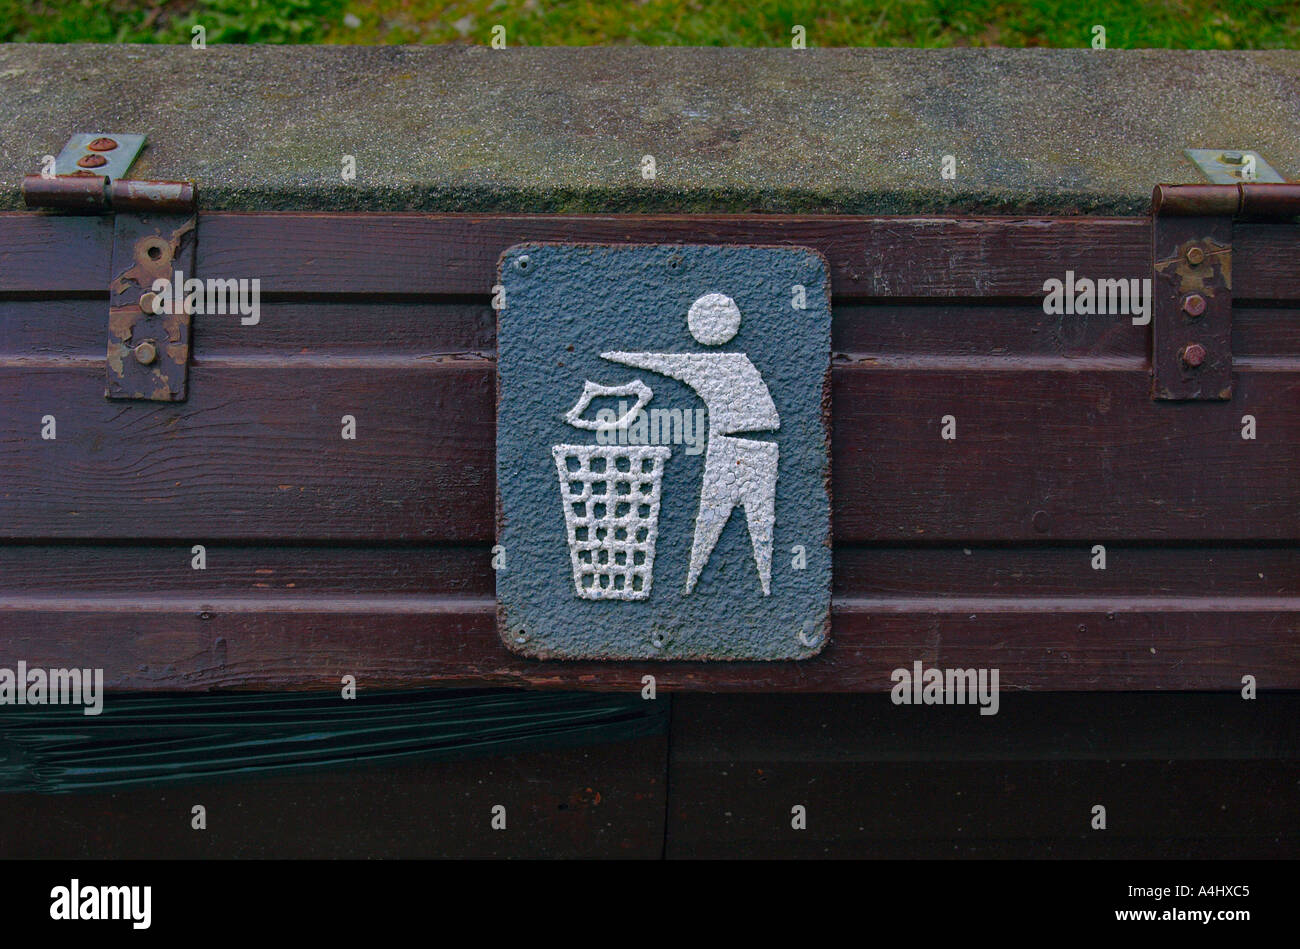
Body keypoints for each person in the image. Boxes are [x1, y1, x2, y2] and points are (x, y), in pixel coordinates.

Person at [603, 292, 779, 595]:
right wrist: (620, 358)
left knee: (738, 527)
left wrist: (620, 357)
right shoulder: (734, 366)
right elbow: (674, 365)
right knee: (715, 529)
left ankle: (713, 585)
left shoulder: (729, 366)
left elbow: (672, 364)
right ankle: (695, 585)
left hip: (747, 447)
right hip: (738, 445)